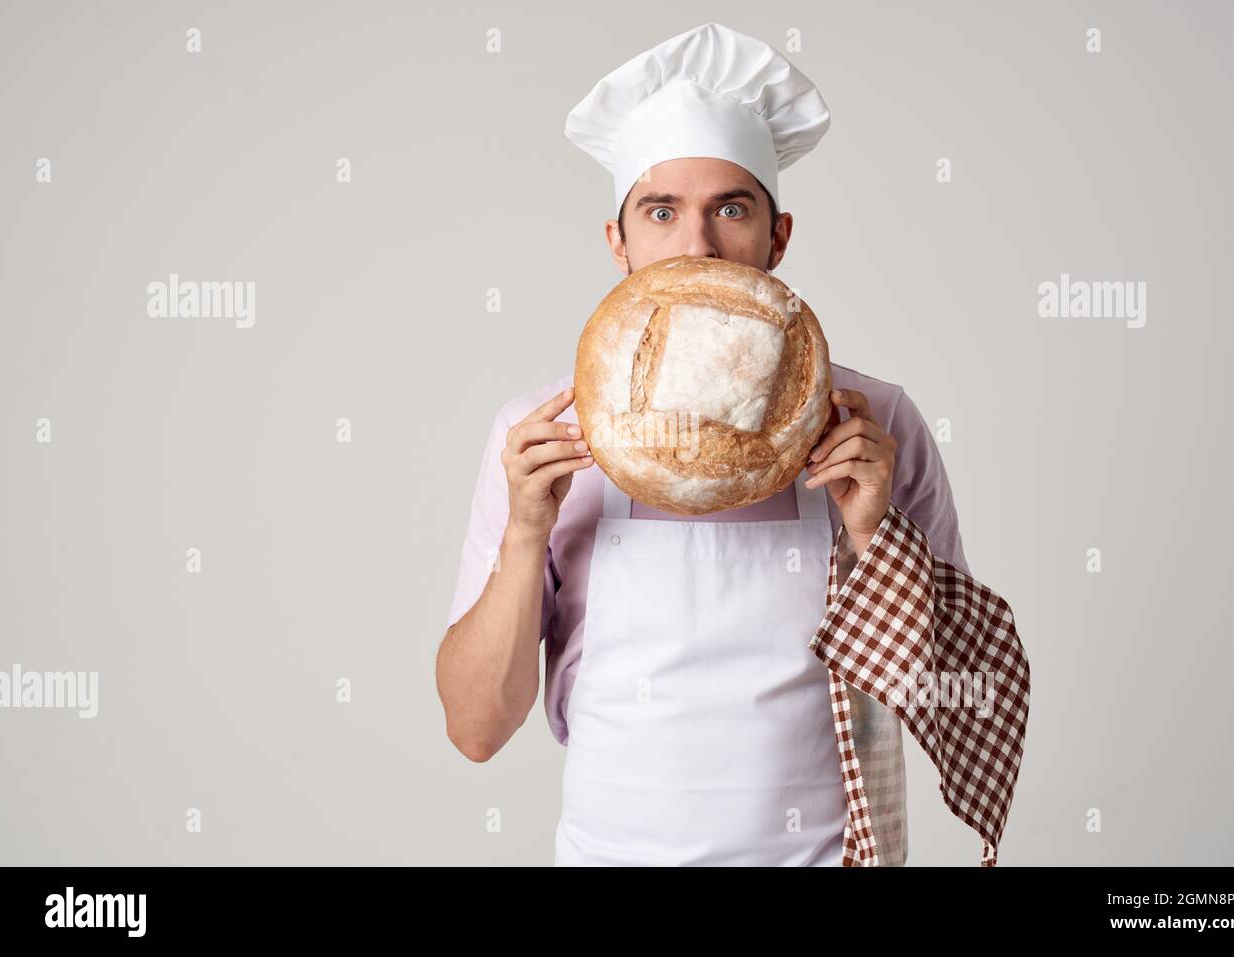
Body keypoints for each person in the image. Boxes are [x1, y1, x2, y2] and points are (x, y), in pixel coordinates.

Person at [437, 22, 1030, 867]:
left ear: (777, 238)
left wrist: (874, 539)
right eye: (661, 210)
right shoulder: (541, 438)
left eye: (731, 209)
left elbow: (959, 711)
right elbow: (475, 729)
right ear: (620, 241)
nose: (698, 245)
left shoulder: (876, 424)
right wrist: (526, 531)